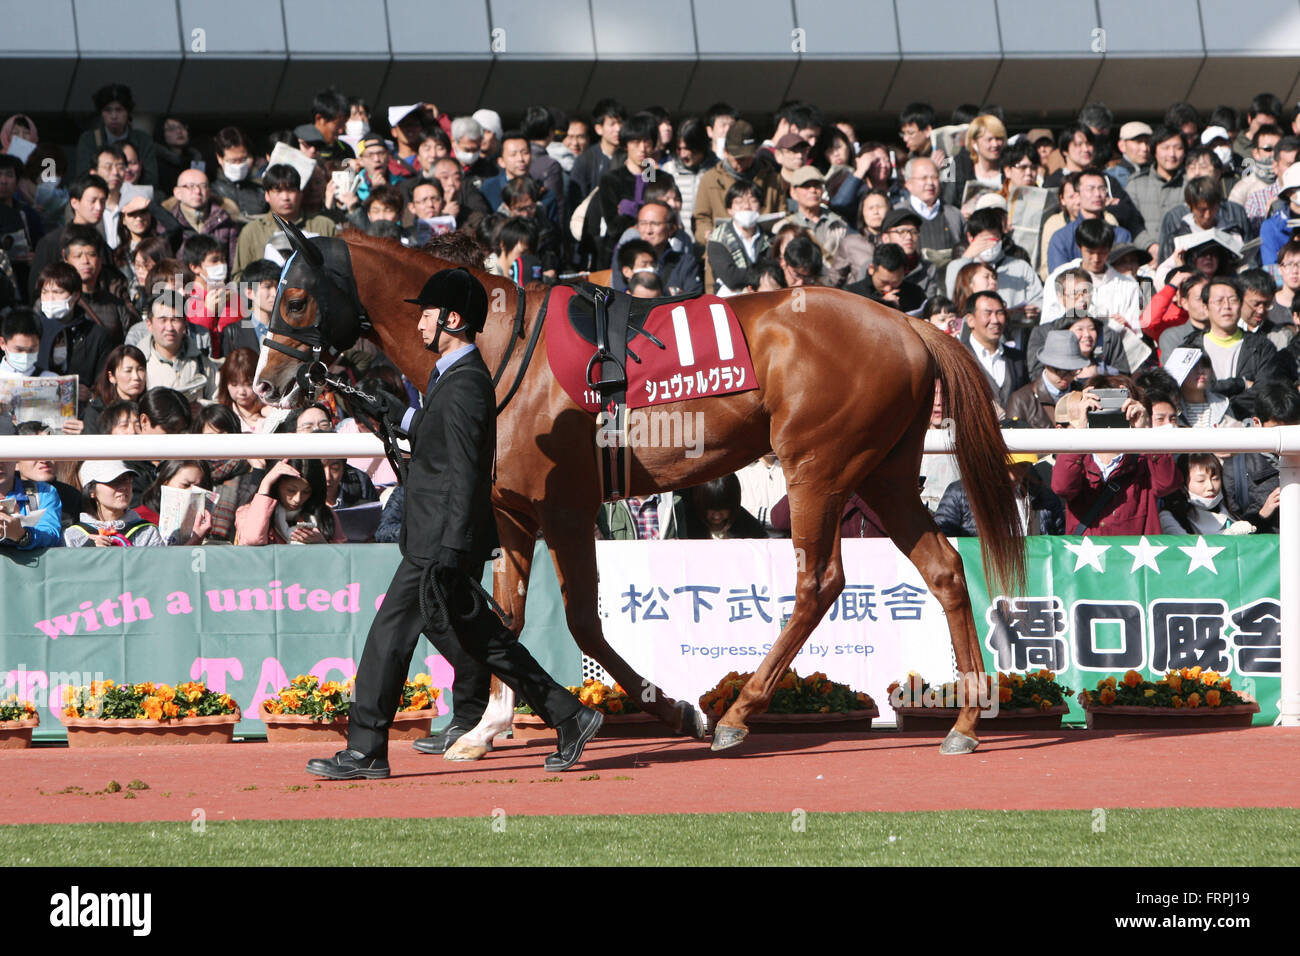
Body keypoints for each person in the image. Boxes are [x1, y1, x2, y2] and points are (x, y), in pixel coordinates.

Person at [307, 267, 602, 779]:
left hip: (438, 541)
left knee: (388, 637)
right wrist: (385, 410)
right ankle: (569, 715)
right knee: (485, 641)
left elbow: (467, 471)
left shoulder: (464, 383)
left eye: (426, 314)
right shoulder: (456, 377)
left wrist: (449, 548)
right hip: (440, 536)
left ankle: (366, 750)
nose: (419, 324)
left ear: (453, 318)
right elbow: (436, 435)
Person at [1051, 379, 1180, 535]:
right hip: (1086, 556)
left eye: (1119, 402)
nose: (1107, 409)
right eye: (1098, 403)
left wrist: (1146, 432)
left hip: (1135, 557)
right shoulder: (1080, 459)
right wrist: (1080, 427)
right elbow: (1062, 487)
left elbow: (1168, 485)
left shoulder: (1142, 459)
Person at [235, 458, 346, 545]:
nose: (297, 499)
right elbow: (252, 539)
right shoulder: (248, 512)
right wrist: (265, 483)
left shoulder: (325, 515)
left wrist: (323, 545)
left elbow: (343, 559)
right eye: (291, 490)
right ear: (276, 485)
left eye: (306, 492)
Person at [65, 459, 163, 547]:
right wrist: (90, 552)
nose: (123, 487)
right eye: (113, 481)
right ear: (92, 491)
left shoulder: (147, 531)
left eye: (126, 480)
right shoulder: (73, 535)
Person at [1159, 453, 1254, 535]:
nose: (1210, 487)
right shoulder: (1169, 517)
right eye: (1200, 481)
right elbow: (1187, 547)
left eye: (1215, 479)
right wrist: (1226, 536)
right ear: (1183, 486)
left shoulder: (1231, 512)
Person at [0, 442, 63, 551]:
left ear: (16, 461)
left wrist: (21, 535)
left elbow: (51, 535)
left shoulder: (43, 492)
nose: (0, 463)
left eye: (5, 454)